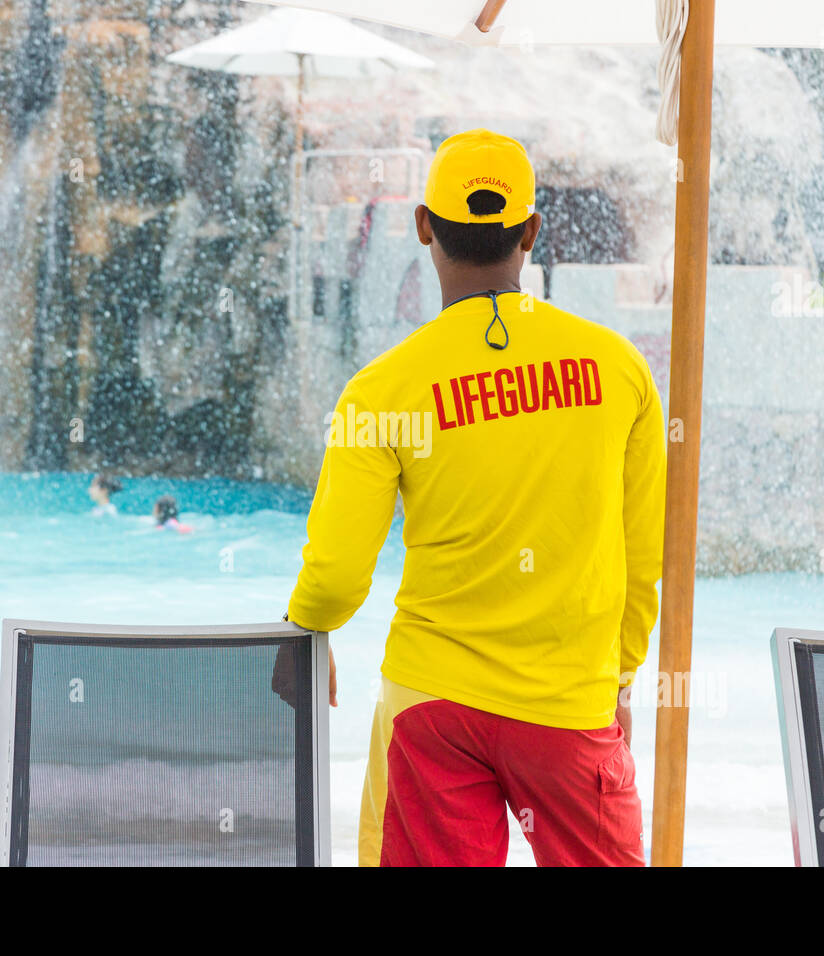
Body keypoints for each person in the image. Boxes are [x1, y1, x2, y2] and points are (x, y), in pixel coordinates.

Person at [285, 129, 667, 867]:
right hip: (569, 704)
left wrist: (306, 631)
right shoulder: (620, 371)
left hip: (432, 706)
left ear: (423, 225)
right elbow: (645, 553)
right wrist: (618, 674)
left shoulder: (383, 388)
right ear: (531, 231)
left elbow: (335, 573)